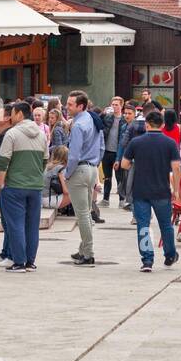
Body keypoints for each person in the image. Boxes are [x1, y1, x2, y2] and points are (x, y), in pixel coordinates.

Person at [120, 107, 181, 272]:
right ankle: (170, 255)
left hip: (140, 190)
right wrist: (176, 190)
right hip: (161, 190)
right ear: (162, 125)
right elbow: (176, 168)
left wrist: (137, 163)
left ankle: (147, 260)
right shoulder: (170, 143)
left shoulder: (136, 142)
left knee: (143, 225)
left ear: (146, 124)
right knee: (165, 225)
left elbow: (124, 164)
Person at [0, 99, 45, 273]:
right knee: (32, 225)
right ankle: (30, 262)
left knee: (15, 224)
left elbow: (3, 161)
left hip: (15, 185)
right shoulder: (41, 134)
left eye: (13, 113)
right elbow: (45, 160)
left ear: (20, 114)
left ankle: (19, 262)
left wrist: (0, 183)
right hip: (35, 186)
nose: (11, 116)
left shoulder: (12, 134)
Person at [63, 90, 104, 267]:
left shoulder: (79, 125)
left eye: (70, 104)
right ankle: (83, 249)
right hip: (92, 168)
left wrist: (67, 174)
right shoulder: (93, 119)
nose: (67, 106)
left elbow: (73, 155)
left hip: (79, 169)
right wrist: (95, 165)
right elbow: (101, 147)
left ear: (80, 106)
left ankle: (88, 252)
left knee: (83, 214)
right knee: (85, 212)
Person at [116, 101, 145, 209]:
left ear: (134, 114)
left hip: (134, 160)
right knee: (128, 184)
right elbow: (121, 145)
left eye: (129, 113)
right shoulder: (124, 127)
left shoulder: (139, 127)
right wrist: (118, 159)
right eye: (125, 113)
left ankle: (136, 210)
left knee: (131, 185)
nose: (127, 115)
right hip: (126, 160)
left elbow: (123, 143)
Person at [100, 96, 124, 205]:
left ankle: (122, 199)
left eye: (116, 105)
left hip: (118, 152)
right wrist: (103, 113)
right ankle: (105, 199)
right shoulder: (107, 117)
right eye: (113, 104)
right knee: (107, 176)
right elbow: (98, 123)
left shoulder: (124, 119)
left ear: (121, 106)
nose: (114, 107)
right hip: (107, 151)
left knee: (119, 177)